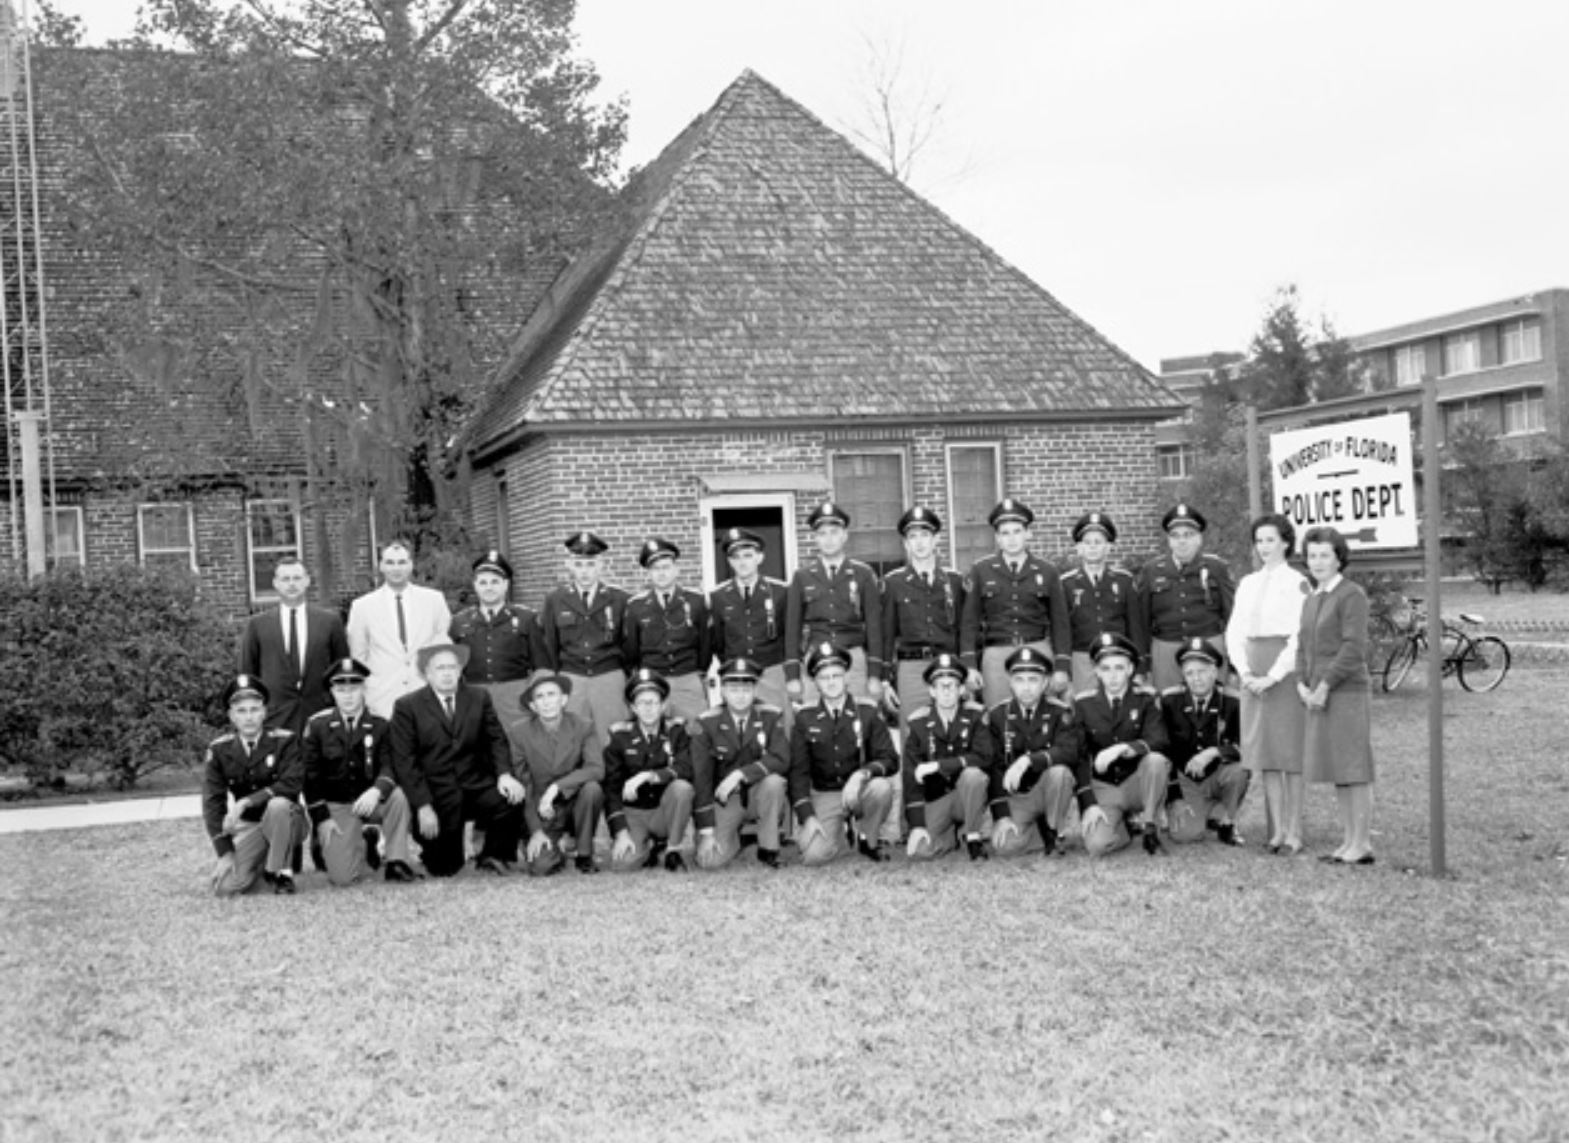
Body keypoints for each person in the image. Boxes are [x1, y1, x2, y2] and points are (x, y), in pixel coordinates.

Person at [388, 643, 524, 877]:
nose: (447, 673)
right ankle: (437, 852)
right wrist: (423, 805)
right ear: (426, 673)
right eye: (440, 668)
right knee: (444, 868)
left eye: (452, 667)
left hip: (475, 784)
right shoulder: (407, 706)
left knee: (512, 799)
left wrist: (504, 774)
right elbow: (404, 761)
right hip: (437, 793)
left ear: (460, 671)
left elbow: (496, 739)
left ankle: (492, 856)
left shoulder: (479, 697)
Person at [1225, 513, 1310, 855]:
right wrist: (1245, 672)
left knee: (1290, 754)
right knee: (1268, 755)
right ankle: (1276, 830)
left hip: (1284, 672)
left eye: (1270, 540)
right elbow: (1235, 631)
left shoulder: (1297, 582)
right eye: (1259, 541)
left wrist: (1274, 675)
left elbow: (1299, 635)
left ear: (1286, 542)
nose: (1264, 547)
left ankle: (1295, 830)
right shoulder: (1247, 583)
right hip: (1252, 669)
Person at [301, 657, 419, 884]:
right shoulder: (317, 726)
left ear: (364, 688)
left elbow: (390, 765)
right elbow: (310, 777)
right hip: (338, 804)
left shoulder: (380, 725)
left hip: (372, 801)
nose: (348, 695)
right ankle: (364, 842)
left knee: (398, 797)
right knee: (344, 879)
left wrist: (377, 790)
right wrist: (322, 818)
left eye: (354, 688)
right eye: (341, 689)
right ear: (332, 691)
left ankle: (396, 861)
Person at [1298, 526, 1377, 866]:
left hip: (1345, 691)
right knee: (1337, 768)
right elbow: (1303, 646)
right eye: (1312, 555)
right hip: (1318, 693)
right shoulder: (1313, 597)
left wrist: (1326, 684)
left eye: (1325, 555)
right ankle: (1348, 841)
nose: (1317, 562)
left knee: (1353, 768)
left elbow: (1354, 648)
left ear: (1339, 557)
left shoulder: (1351, 594)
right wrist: (1303, 683)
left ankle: (1361, 844)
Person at [789, 641, 900, 864]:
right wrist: (807, 817)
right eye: (824, 678)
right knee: (813, 856)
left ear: (846, 678)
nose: (831, 683)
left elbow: (890, 758)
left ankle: (868, 839)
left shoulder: (867, 711)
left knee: (881, 788)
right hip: (824, 794)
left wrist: (862, 775)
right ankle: (841, 832)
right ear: (815, 683)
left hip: (861, 790)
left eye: (836, 676)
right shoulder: (804, 718)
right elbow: (797, 774)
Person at [959, 498, 1072, 708]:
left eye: (1017, 531)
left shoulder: (1047, 571)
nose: (1011, 539)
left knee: (1041, 717)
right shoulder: (981, 570)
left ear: (1028, 533)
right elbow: (969, 623)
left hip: (1038, 649)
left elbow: (1061, 623)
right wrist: (969, 665)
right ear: (997, 539)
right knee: (997, 716)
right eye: (1005, 533)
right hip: (996, 656)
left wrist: (1062, 666)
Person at [202, 675, 307, 896]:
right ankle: (265, 862)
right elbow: (213, 804)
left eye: (254, 709)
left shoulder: (285, 741)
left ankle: (281, 873)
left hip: (289, 820)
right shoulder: (220, 750)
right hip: (252, 827)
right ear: (231, 716)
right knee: (225, 887)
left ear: (264, 712)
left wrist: (247, 801)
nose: (248, 717)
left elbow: (291, 784)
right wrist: (225, 852)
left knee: (278, 805)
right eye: (241, 711)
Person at [1073, 633, 1173, 858]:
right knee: (1097, 846)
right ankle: (1124, 828)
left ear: (1130, 670)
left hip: (1137, 782)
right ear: (1096, 672)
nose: (1113, 676)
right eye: (1105, 669)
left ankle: (1149, 826)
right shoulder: (1083, 704)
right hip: (1105, 787)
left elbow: (1160, 740)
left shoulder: (1147, 698)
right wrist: (1088, 803)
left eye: (1119, 668)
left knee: (1156, 760)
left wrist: (1123, 748)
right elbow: (1078, 757)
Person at [691, 657, 791, 869]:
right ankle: (736, 839)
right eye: (733, 689)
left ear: (755, 691)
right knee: (709, 862)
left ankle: (768, 848)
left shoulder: (771, 716)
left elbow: (782, 758)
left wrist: (741, 774)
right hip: (725, 801)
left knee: (774, 782)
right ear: (723, 692)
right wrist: (707, 831)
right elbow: (701, 779)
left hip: (759, 795)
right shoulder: (707, 723)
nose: (740, 695)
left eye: (746, 689)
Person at [784, 502, 885, 706]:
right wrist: (793, 675)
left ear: (844, 535)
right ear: (815, 538)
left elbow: (875, 627)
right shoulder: (802, 577)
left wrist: (874, 674)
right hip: (815, 660)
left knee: (859, 722)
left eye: (834, 532)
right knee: (815, 724)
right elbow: (792, 629)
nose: (828, 539)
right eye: (822, 533)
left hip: (853, 660)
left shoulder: (863, 574)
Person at [986, 646, 1081, 859]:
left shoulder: (1060, 712)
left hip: (1048, 789)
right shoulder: (997, 716)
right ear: (1010, 682)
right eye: (1019, 680)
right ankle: (1040, 829)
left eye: (1033, 679)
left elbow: (1069, 751)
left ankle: (1053, 832)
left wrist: (1028, 761)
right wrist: (1001, 816)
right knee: (1005, 848)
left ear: (1045, 683)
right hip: (1017, 797)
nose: (1026, 687)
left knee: (1060, 772)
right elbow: (993, 767)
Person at [237, 556, 350, 735]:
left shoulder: (330, 622)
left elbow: (342, 670)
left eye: (297, 578)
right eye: (285, 579)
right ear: (275, 583)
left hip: (321, 718)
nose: (291, 584)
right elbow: (248, 674)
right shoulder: (258, 625)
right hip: (275, 720)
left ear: (307, 581)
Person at [510, 673, 606, 875]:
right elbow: (523, 783)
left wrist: (557, 788)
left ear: (563, 700)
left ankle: (584, 853)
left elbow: (596, 768)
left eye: (552, 694)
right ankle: (552, 846)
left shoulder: (583, 725)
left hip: (573, 802)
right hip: (541, 811)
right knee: (541, 868)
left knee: (592, 789)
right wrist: (536, 830)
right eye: (540, 697)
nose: (547, 702)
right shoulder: (519, 732)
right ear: (533, 706)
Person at [539, 531, 630, 744]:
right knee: (572, 738)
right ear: (569, 565)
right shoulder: (555, 599)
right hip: (572, 678)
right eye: (579, 565)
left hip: (608, 676)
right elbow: (550, 643)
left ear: (601, 565)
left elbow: (629, 644)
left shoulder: (620, 599)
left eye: (590, 565)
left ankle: (612, 778)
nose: (584, 572)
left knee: (612, 737)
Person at [348, 540, 453, 719]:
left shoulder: (434, 601)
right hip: (382, 700)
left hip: (426, 695)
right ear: (381, 566)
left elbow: (441, 648)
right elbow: (359, 657)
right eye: (390, 562)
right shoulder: (362, 607)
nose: (396, 568)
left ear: (411, 565)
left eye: (402, 562)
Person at [901, 653, 991, 862]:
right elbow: (910, 777)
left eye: (952, 685)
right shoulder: (918, 723)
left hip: (966, 797)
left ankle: (973, 837)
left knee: (973, 775)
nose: (947, 692)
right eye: (941, 686)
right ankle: (949, 838)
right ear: (932, 691)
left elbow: (985, 757)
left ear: (961, 690)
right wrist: (917, 826)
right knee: (920, 850)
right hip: (936, 801)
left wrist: (939, 765)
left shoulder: (976, 716)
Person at [605, 669, 695, 873]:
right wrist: (620, 832)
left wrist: (649, 775)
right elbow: (611, 787)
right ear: (633, 708)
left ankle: (672, 849)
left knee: (682, 788)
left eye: (654, 702)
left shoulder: (676, 730)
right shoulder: (619, 735)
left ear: (664, 705)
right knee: (623, 865)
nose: (648, 709)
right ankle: (650, 848)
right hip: (633, 813)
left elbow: (686, 768)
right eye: (642, 703)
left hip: (663, 811)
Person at [1161, 639, 1248, 847]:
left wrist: (1214, 752)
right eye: (1189, 673)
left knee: (1239, 770)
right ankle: (1205, 812)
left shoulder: (1233, 702)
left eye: (1202, 671)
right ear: (1183, 675)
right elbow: (1163, 750)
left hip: (1217, 774)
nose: (1196, 678)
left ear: (1215, 673)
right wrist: (1175, 797)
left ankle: (1227, 820)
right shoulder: (1169, 701)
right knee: (1186, 835)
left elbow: (1248, 748)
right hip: (1185, 781)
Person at [881, 506, 966, 720]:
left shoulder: (954, 581)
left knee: (951, 731)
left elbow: (966, 631)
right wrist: (884, 681)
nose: (919, 543)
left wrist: (969, 670)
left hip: (948, 666)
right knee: (912, 732)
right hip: (911, 669)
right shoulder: (893, 583)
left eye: (925, 535)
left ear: (936, 539)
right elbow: (886, 635)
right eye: (913, 537)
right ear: (905, 543)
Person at [1140, 504, 1234, 692]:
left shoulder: (1216, 568)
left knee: (1213, 706)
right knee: (1168, 706)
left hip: (1209, 647)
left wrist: (1233, 663)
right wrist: (1144, 664)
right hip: (1167, 649)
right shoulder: (1151, 570)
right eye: (1176, 536)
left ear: (1199, 539)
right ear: (1169, 540)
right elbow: (1142, 620)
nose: (1182, 541)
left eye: (1188, 535)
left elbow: (1231, 615)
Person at [708, 527, 792, 728]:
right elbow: (718, 641)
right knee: (740, 731)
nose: (742, 562)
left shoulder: (780, 592)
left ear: (760, 557)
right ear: (729, 562)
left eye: (748, 555)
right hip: (738, 676)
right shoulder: (718, 597)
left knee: (780, 728)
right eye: (736, 557)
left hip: (771, 671)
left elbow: (789, 636)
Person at [449, 549, 545, 723]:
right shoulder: (458, 621)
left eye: (495, 582)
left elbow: (541, 665)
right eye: (483, 582)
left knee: (515, 746)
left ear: (506, 585)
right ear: (475, 585)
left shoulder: (526, 619)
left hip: (515, 698)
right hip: (473, 698)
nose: (489, 587)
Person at [622, 538, 712, 724]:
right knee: (653, 734)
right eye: (655, 569)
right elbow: (631, 650)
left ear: (676, 569)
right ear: (648, 573)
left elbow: (706, 643)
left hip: (687, 678)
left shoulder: (696, 601)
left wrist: (697, 671)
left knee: (696, 733)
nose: (661, 573)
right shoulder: (636, 606)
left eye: (666, 567)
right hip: (653, 680)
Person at [1060, 512, 1146, 694]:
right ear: (1079, 548)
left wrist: (1140, 668)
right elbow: (1063, 630)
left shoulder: (1124, 581)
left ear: (1108, 547)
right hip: (1082, 659)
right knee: (1085, 709)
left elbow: (1135, 628)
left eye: (1098, 542)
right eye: (1087, 543)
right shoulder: (1066, 584)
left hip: (1118, 657)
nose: (1093, 548)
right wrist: (1065, 669)